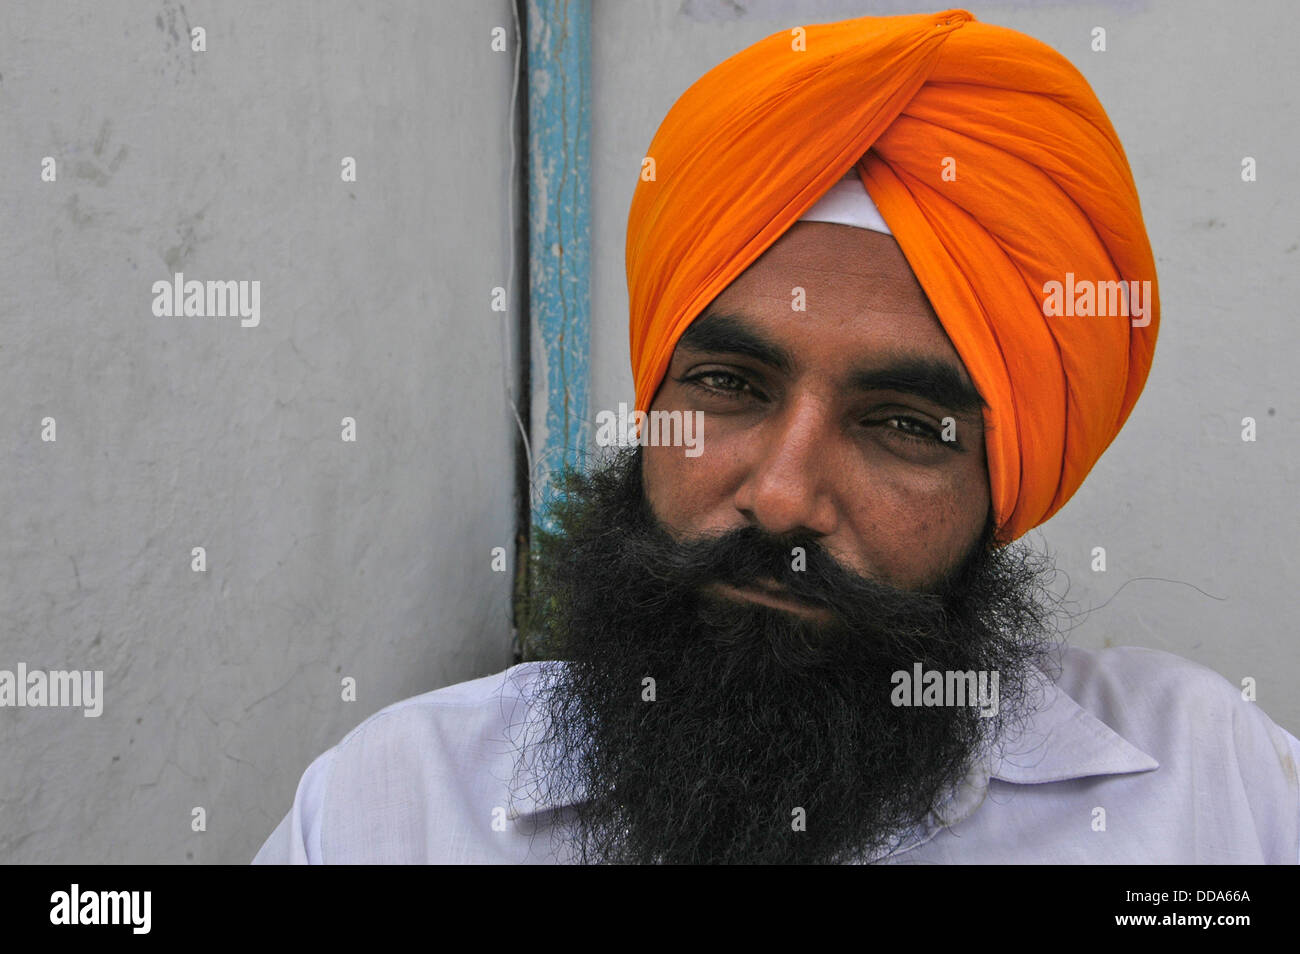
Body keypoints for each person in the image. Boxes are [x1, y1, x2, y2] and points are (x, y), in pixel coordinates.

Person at [252, 9, 1299, 864]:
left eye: (901, 425)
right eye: (727, 384)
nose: (785, 497)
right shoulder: (395, 810)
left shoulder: (1209, 792)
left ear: (1006, 481)